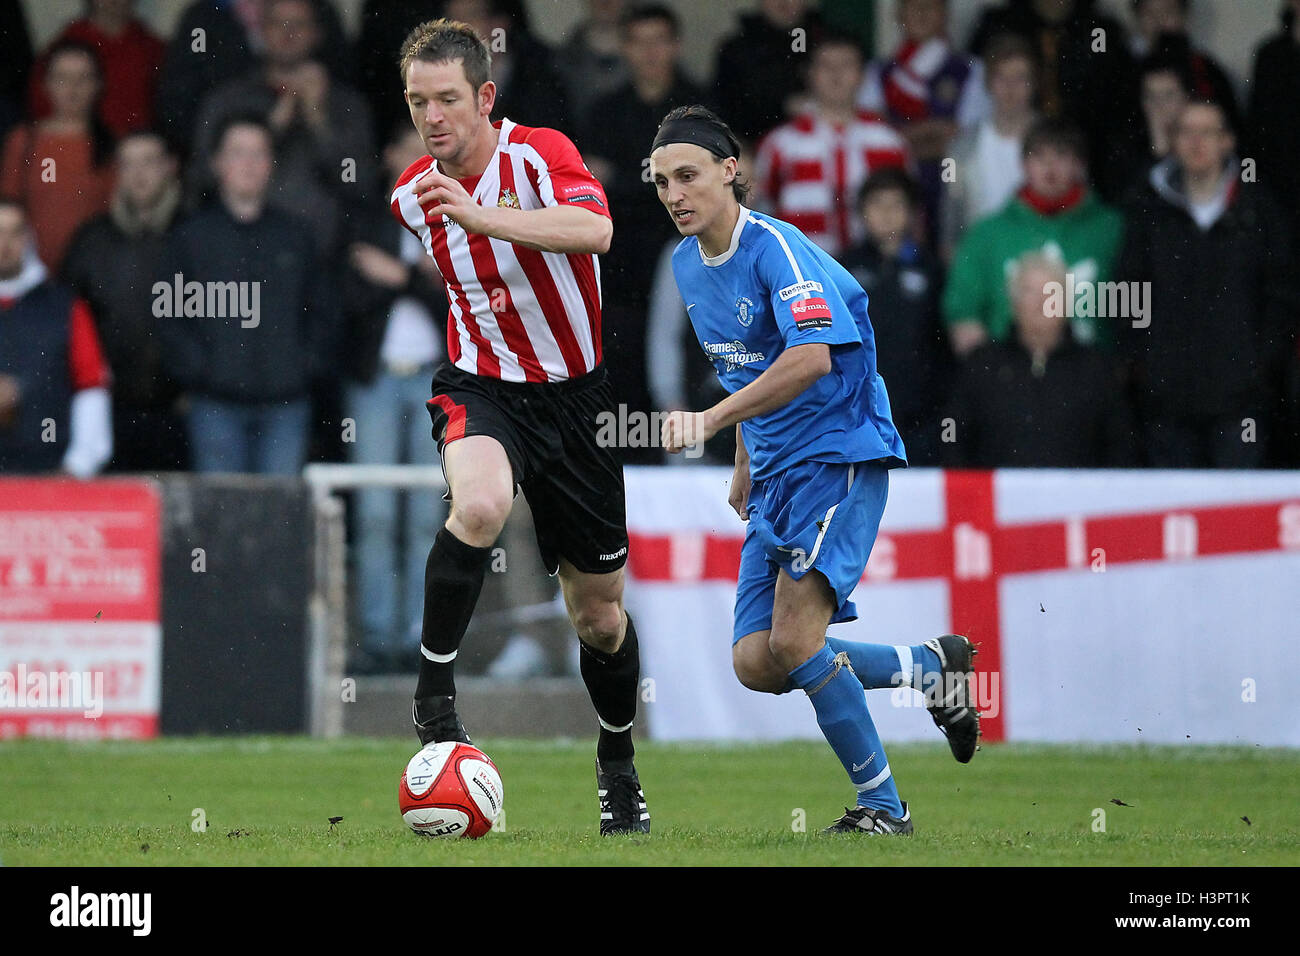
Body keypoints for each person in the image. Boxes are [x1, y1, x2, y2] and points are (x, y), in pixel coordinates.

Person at [650, 105, 980, 835]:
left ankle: (885, 811)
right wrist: (743, 459)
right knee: (757, 662)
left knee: (796, 641)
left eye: (688, 176)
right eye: (662, 181)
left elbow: (810, 357)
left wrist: (711, 423)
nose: (675, 194)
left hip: (837, 453)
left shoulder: (777, 248)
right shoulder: (685, 264)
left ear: (730, 171)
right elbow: (747, 362)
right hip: (773, 470)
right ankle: (927, 666)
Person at [388, 19, 648, 835]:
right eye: (417, 101)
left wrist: (484, 217)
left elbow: (597, 231)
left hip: (579, 403)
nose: (432, 117)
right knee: (480, 507)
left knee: (600, 617)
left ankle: (616, 764)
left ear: (485, 97)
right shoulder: (406, 195)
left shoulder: (541, 153)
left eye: (448, 99)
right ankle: (434, 697)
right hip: (482, 389)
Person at [1118, 99, 1298, 468]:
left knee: (1236, 513)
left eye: (1208, 132)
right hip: (1165, 398)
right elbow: (1127, 288)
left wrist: (1260, 365)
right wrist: (1143, 363)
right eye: (1186, 132)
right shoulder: (1147, 210)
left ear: (1227, 141)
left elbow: (1280, 295)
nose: (1196, 142)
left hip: (1241, 400)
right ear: (1173, 141)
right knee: (1174, 511)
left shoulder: (1260, 209)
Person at [159, 115, 340, 475]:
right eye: (237, 153)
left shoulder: (297, 236)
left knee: (280, 516)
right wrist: (201, 372)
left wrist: (302, 368)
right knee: (222, 515)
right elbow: (169, 316)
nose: (248, 164)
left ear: (271, 165)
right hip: (214, 404)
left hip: (286, 404)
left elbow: (324, 311)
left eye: (258, 154)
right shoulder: (191, 238)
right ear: (217, 163)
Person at [943, 118, 1123, 357]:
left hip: (1093, 380)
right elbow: (962, 311)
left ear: (1079, 165)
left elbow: (1133, 309)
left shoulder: (1111, 229)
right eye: (1038, 156)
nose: (1050, 166)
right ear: (1024, 164)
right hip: (1009, 380)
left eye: (1061, 155)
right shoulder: (987, 234)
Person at [61, 129, 187, 472]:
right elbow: (68, 322)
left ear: (170, 167)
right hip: (111, 409)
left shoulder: (195, 234)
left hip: (183, 410)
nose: (139, 173)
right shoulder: (91, 240)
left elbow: (221, 319)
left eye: (149, 162)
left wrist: (197, 383)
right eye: (128, 164)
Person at [943, 252, 1138, 467]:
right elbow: (951, 435)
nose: (1040, 302)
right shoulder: (982, 365)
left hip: (1080, 498)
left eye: (1051, 292)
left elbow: (1122, 448)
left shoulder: (1097, 370)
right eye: (1029, 292)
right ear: (1013, 302)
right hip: (997, 498)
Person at [752, 33, 908, 259]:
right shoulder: (780, 144)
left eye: (846, 65)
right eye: (826, 66)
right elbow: (762, 215)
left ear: (862, 75)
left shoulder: (889, 142)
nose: (836, 75)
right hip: (801, 273)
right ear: (809, 74)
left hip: (876, 275)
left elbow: (910, 214)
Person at [840, 169, 949, 465]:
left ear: (913, 213)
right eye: (877, 205)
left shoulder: (932, 269)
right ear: (862, 213)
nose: (887, 214)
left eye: (896, 205)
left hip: (920, 415)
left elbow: (943, 342)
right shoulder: (842, 267)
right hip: (857, 411)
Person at [0, 199, 113, 477]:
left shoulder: (65, 307)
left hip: (48, 476)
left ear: (29, 238)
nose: (5, 244)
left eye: (14, 232)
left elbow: (91, 387)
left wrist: (77, 466)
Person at [0, 40, 116, 273]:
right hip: (32, 275)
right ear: (46, 84)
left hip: (93, 273)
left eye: (83, 78)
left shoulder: (114, 147)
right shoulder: (23, 141)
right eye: (62, 78)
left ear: (98, 84)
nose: (72, 88)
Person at [939, 32, 1038, 262]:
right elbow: (950, 215)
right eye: (1002, 78)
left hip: (1037, 261)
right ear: (988, 83)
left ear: (1034, 84)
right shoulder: (958, 148)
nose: (1011, 88)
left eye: (1021, 78)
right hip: (980, 261)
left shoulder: (1054, 141)